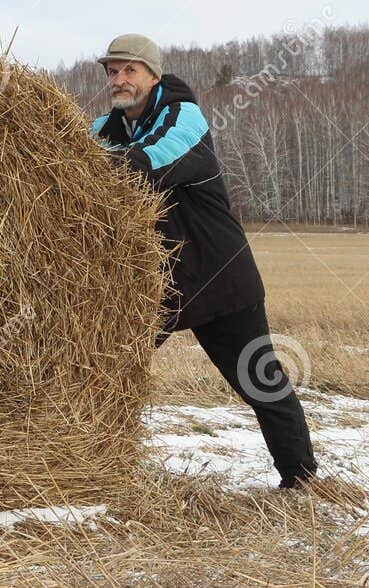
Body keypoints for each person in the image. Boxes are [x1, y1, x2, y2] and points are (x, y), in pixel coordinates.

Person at [90, 33, 325, 491]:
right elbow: (60, 156)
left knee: (260, 380)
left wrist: (89, 163)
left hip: (218, 275)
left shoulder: (184, 117)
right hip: (157, 283)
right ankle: (91, 473)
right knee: (105, 367)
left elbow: (147, 164)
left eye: (129, 70)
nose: (119, 80)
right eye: (112, 71)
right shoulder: (107, 127)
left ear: (153, 76)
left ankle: (302, 480)